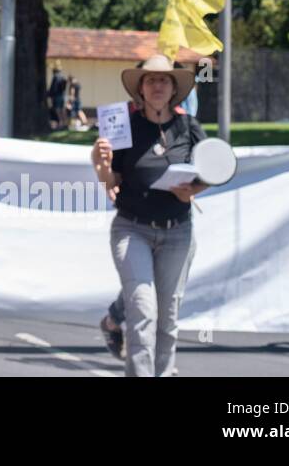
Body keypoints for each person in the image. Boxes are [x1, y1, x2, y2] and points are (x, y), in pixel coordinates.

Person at [91, 54, 206, 377]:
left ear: (174, 88)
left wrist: (194, 190)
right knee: (143, 311)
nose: (157, 85)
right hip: (132, 230)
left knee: (168, 317)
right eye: (151, 80)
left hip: (178, 232)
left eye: (164, 80)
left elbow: (213, 169)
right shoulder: (123, 125)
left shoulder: (188, 125)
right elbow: (111, 181)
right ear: (140, 88)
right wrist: (100, 164)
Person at [48, 63, 68, 129]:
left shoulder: (55, 77)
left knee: (58, 110)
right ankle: (65, 123)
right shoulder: (62, 76)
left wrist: (49, 94)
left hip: (57, 96)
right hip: (62, 95)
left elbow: (53, 88)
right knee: (62, 110)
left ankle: (61, 123)